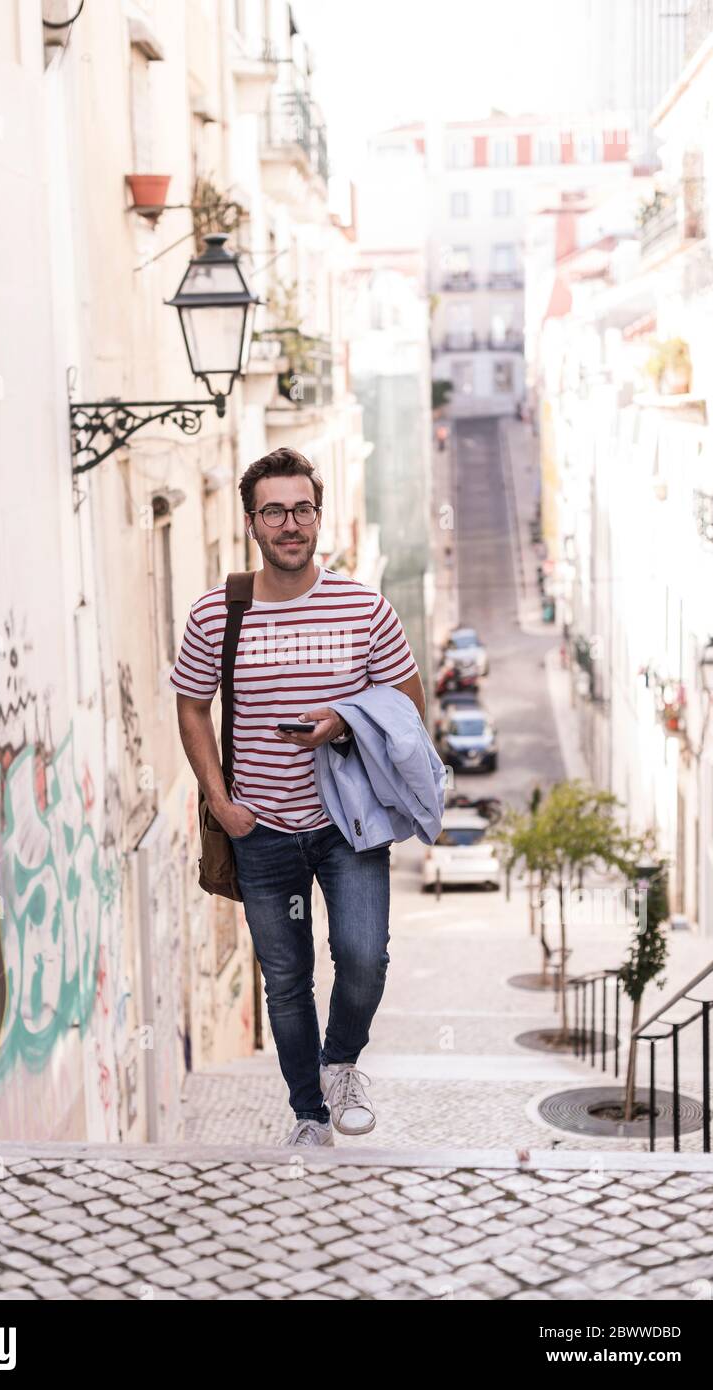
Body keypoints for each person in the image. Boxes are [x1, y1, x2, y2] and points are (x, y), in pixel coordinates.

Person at [170, 446, 425, 1147]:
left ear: (319, 515)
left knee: (364, 956)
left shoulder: (363, 606)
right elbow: (193, 707)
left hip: (349, 822)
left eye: (302, 509)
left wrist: (342, 720)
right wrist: (221, 803)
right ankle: (310, 1114)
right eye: (274, 511)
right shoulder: (216, 614)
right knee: (285, 981)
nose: (291, 524)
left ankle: (341, 1061)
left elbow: (409, 703)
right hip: (262, 829)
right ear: (251, 522)